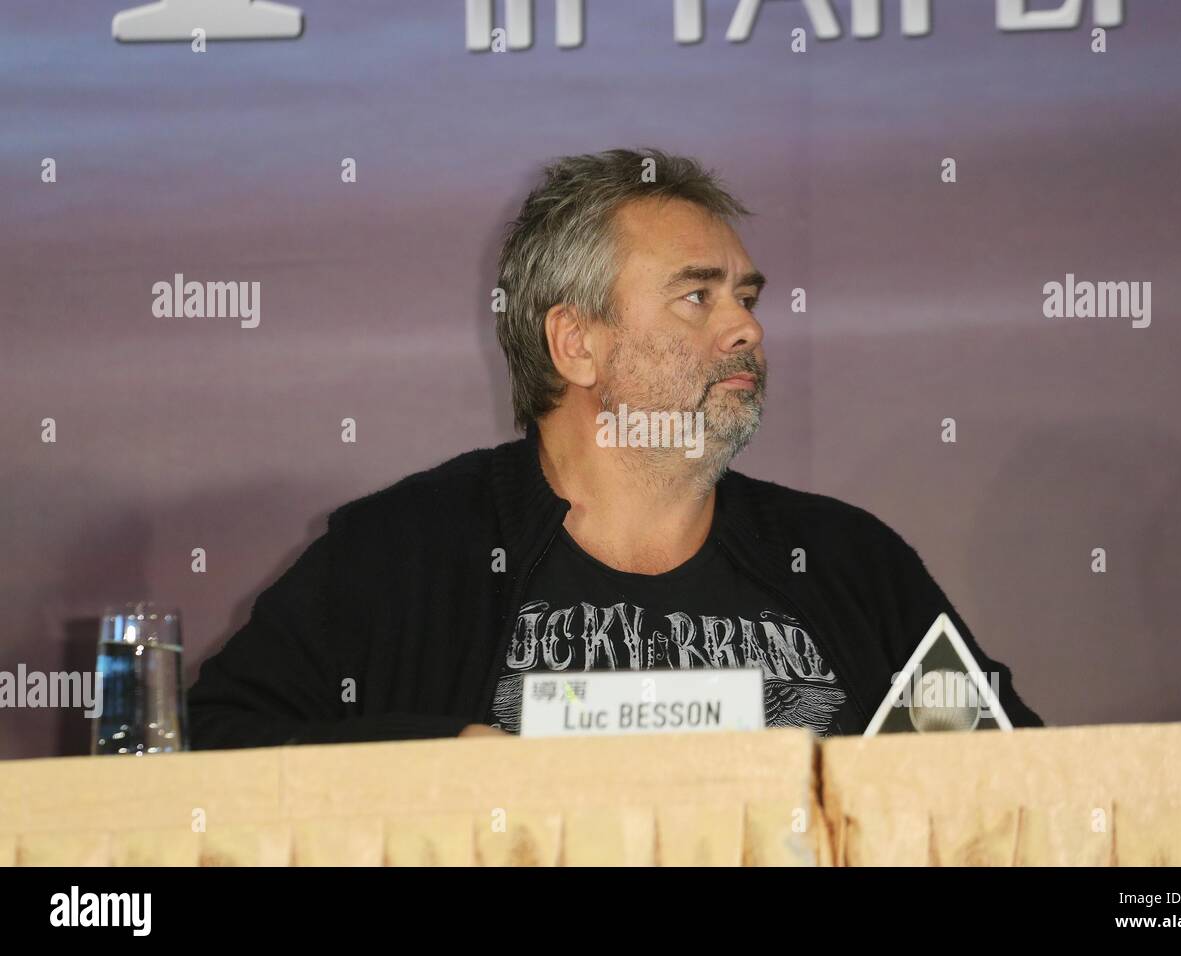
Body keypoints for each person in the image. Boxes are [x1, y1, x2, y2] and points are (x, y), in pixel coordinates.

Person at [188, 147, 1042, 747]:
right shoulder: (403, 552)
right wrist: (446, 754)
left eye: (745, 296)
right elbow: (214, 748)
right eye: (696, 298)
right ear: (576, 344)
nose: (747, 327)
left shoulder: (848, 561)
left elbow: (1015, 784)